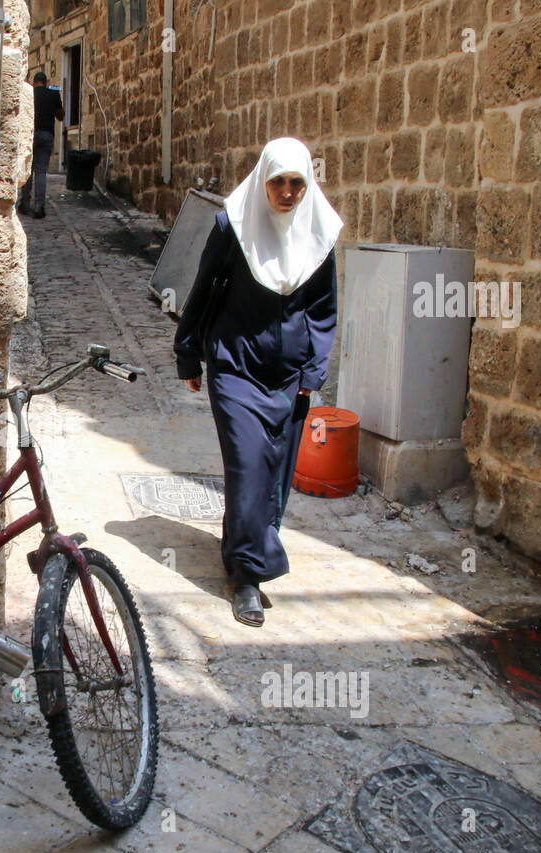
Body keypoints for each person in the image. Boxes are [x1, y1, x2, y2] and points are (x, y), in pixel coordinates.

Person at [173, 138, 343, 627]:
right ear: (263, 180)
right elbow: (202, 290)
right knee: (248, 465)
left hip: (289, 374)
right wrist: (189, 356)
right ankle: (247, 577)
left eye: (297, 183)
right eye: (278, 182)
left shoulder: (319, 234)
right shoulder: (233, 226)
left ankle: (240, 547)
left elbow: (324, 309)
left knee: (274, 472)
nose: (288, 192)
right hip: (235, 364)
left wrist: (313, 370)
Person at [18, 71, 64, 219]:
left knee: (28, 169)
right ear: (46, 82)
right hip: (46, 134)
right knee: (41, 171)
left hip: (30, 133)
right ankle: (39, 206)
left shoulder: (28, 93)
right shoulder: (53, 93)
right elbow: (61, 116)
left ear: (33, 81)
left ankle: (25, 203)